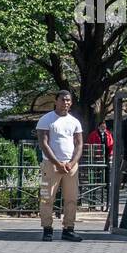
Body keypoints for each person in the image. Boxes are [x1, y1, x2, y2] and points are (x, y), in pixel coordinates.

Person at [36, 90, 84, 242]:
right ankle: (47, 229)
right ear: (56, 101)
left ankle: (68, 229)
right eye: (63, 100)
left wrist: (72, 162)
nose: (66, 103)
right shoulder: (46, 119)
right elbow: (43, 143)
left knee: (71, 198)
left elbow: (79, 144)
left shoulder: (75, 121)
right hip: (51, 165)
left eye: (69, 100)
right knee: (47, 198)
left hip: (70, 166)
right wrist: (57, 163)